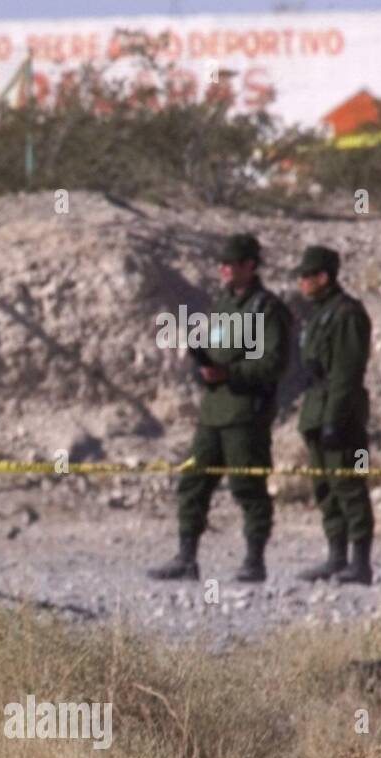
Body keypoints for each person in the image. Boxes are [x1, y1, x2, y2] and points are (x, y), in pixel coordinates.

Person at [148, 233, 290, 582]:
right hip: (213, 411)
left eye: (232, 264)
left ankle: (254, 561)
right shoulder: (223, 304)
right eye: (222, 264)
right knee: (194, 481)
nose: (224, 270)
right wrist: (205, 366)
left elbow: (273, 363)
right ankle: (186, 558)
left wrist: (230, 371)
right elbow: (215, 347)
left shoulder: (267, 309)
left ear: (250, 266)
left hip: (246, 413)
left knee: (248, 486)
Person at [294, 245, 374, 585]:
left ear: (323, 277)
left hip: (344, 418)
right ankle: (336, 557)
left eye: (306, 276)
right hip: (318, 411)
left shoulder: (347, 314)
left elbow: (347, 373)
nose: (301, 283)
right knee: (325, 487)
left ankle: (360, 563)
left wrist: (334, 420)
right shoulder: (321, 313)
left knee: (349, 485)